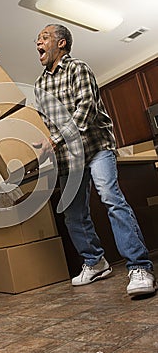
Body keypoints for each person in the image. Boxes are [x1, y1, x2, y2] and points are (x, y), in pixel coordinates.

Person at [33, 23, 157, 297]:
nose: (38, 42)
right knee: (73, 213)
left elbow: (85, 110)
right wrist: (45, 144)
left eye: (44, 37)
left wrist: (54, 139)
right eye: (37, 39)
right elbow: (46, 123)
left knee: (110, 197)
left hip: (97, 146)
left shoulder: (79, 69)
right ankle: (95, 262)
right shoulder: (40, 84)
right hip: (69, 156)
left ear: (61, 43)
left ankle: (140, 267)